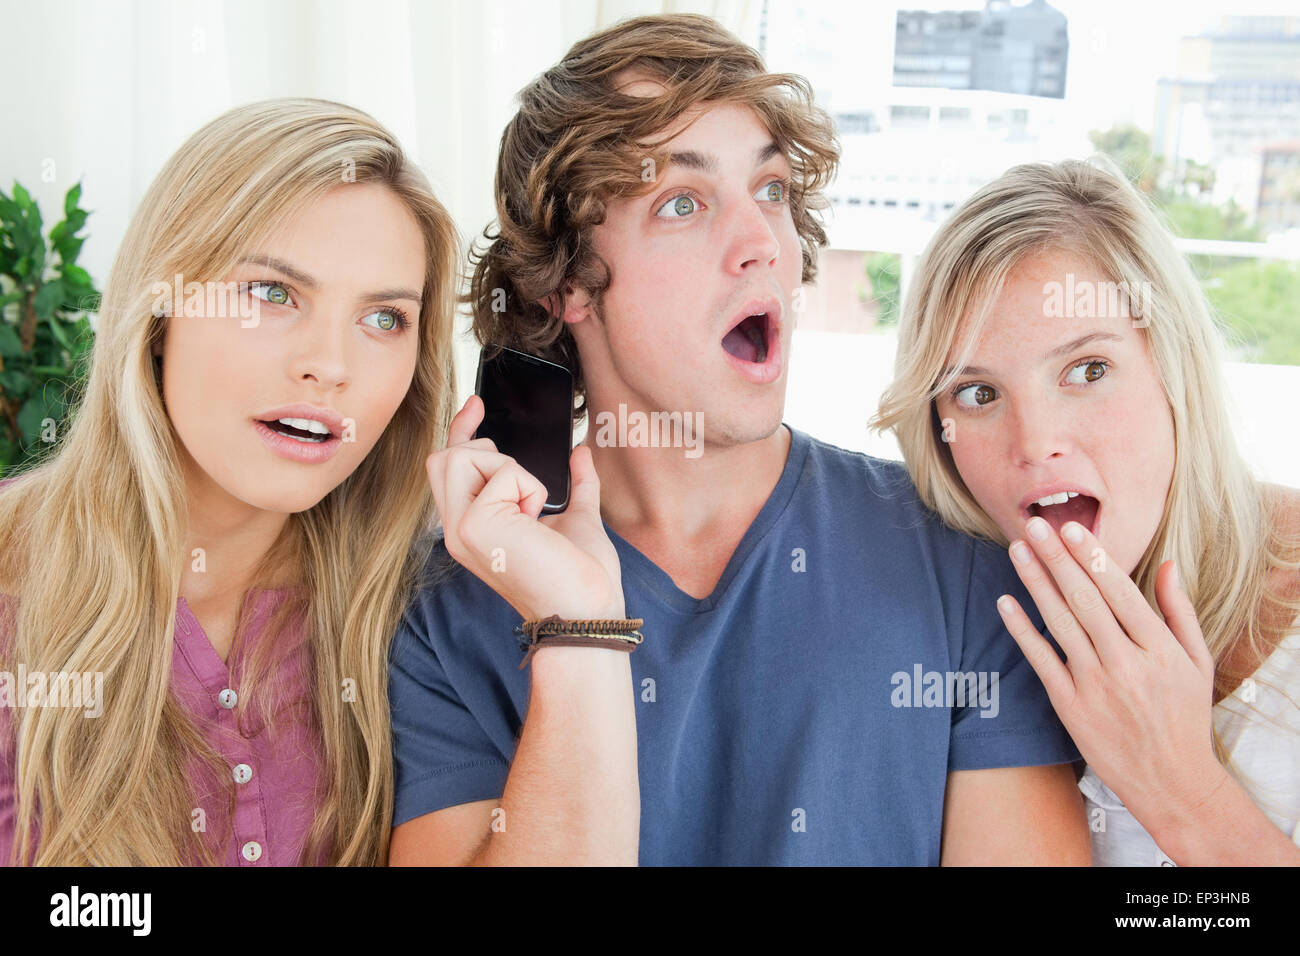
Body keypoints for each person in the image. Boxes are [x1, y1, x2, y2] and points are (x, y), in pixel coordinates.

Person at [388, 14, 1089, 866]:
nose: (762, 244)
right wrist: (574, 630)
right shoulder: (445, 615)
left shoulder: (965, 565)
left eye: (772, 191)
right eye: (684, 203)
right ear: (565, 282)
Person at [0, 98, 460, 865]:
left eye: (384, 318)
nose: (331, 365)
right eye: (273, 293)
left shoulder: (419, 612)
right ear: (161, 310)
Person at [874, 158, 1300, 865]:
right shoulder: (958, 636)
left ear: (1173, 366)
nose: (1037, 445)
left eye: (1088, 370)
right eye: (977, 394)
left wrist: (1182, 792)